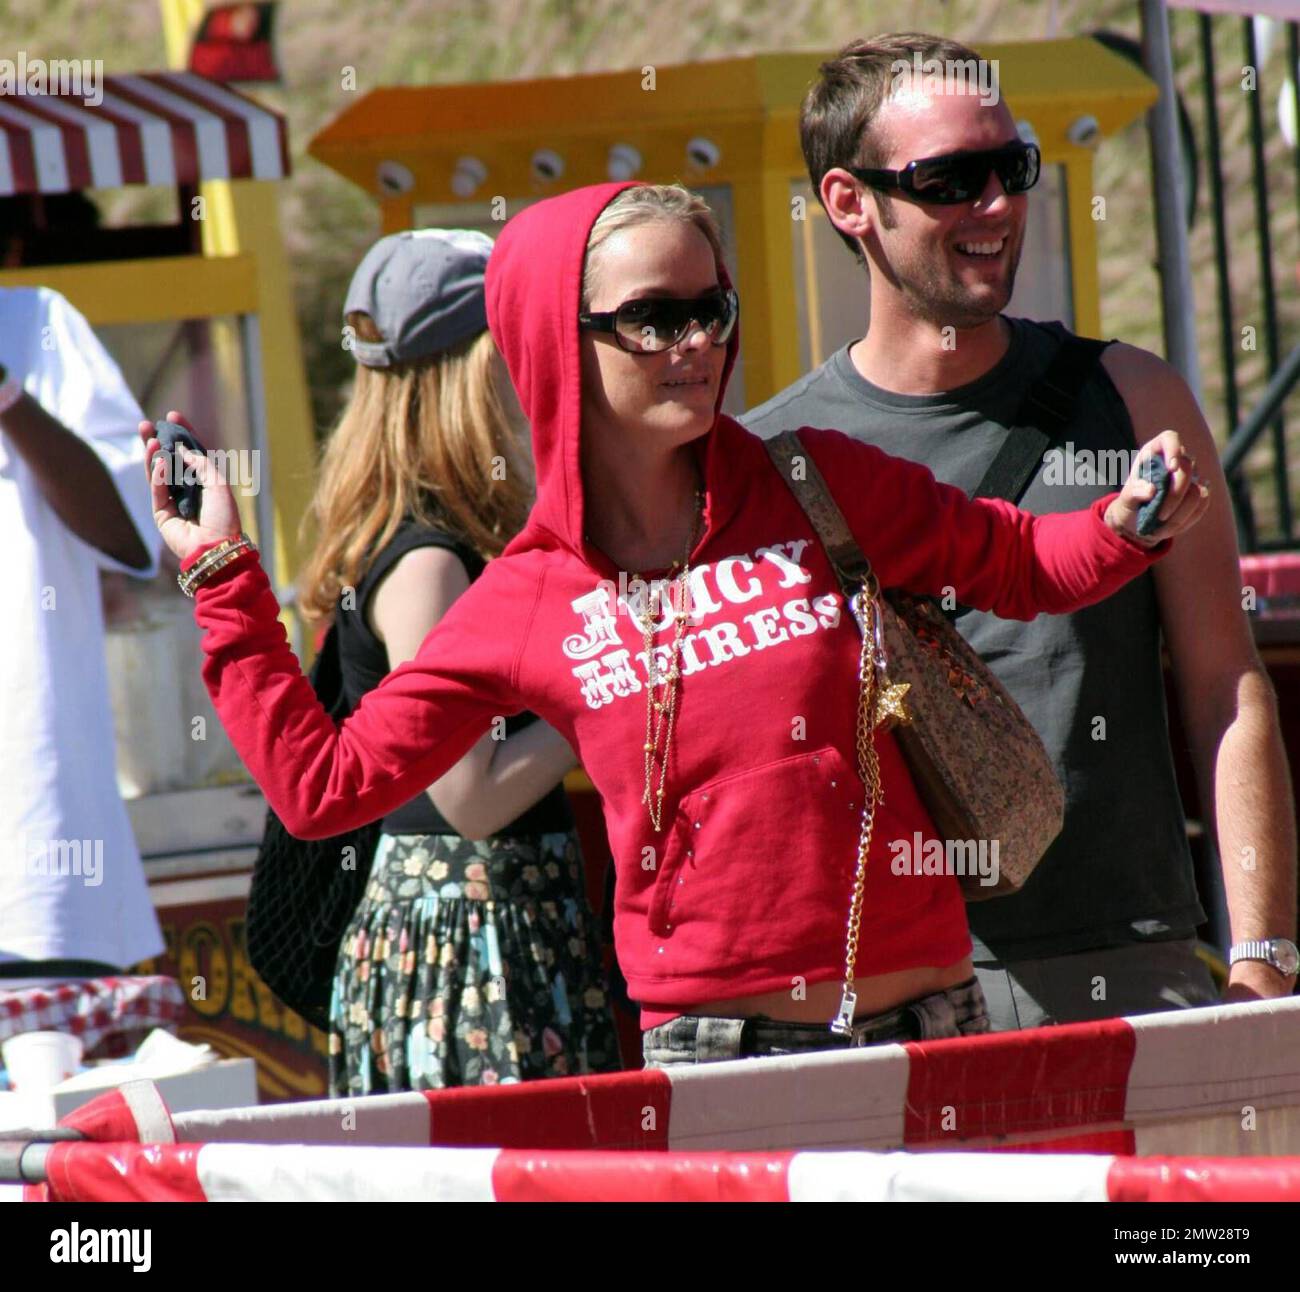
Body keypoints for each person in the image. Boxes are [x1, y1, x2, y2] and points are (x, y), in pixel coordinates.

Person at [141, 181, 1206, 1069]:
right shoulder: (527, 593)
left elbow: (1020, 559)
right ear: (556, 344)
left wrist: (1122, 524)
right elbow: (322, 787)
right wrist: (223, 573)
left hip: (933, 1024)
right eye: (653, 317)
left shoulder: (815, 482)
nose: (696, 342)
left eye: (713, 309)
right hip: (722, 1056)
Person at [743, 32, 1298, 1029]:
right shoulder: (770, 460)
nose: (997, 204)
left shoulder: (1133, 399)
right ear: (849, 201)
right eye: (951, 179)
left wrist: (1262, 956)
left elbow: (1226, 684)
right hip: (879, 993)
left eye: (1013, 167)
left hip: (1124, 964)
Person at [296, 228, 619, 1092]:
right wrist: (615, 683)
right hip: (478, 944)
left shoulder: (421, 540)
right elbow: (471, 796)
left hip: (478, 931)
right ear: (477, 373)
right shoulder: (429, 562)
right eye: (517, 341)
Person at [0, 285, 163, 985]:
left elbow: (131, 534)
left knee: (44, 1051)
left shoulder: (34, 321)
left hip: (32, 859)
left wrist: (9, 397)